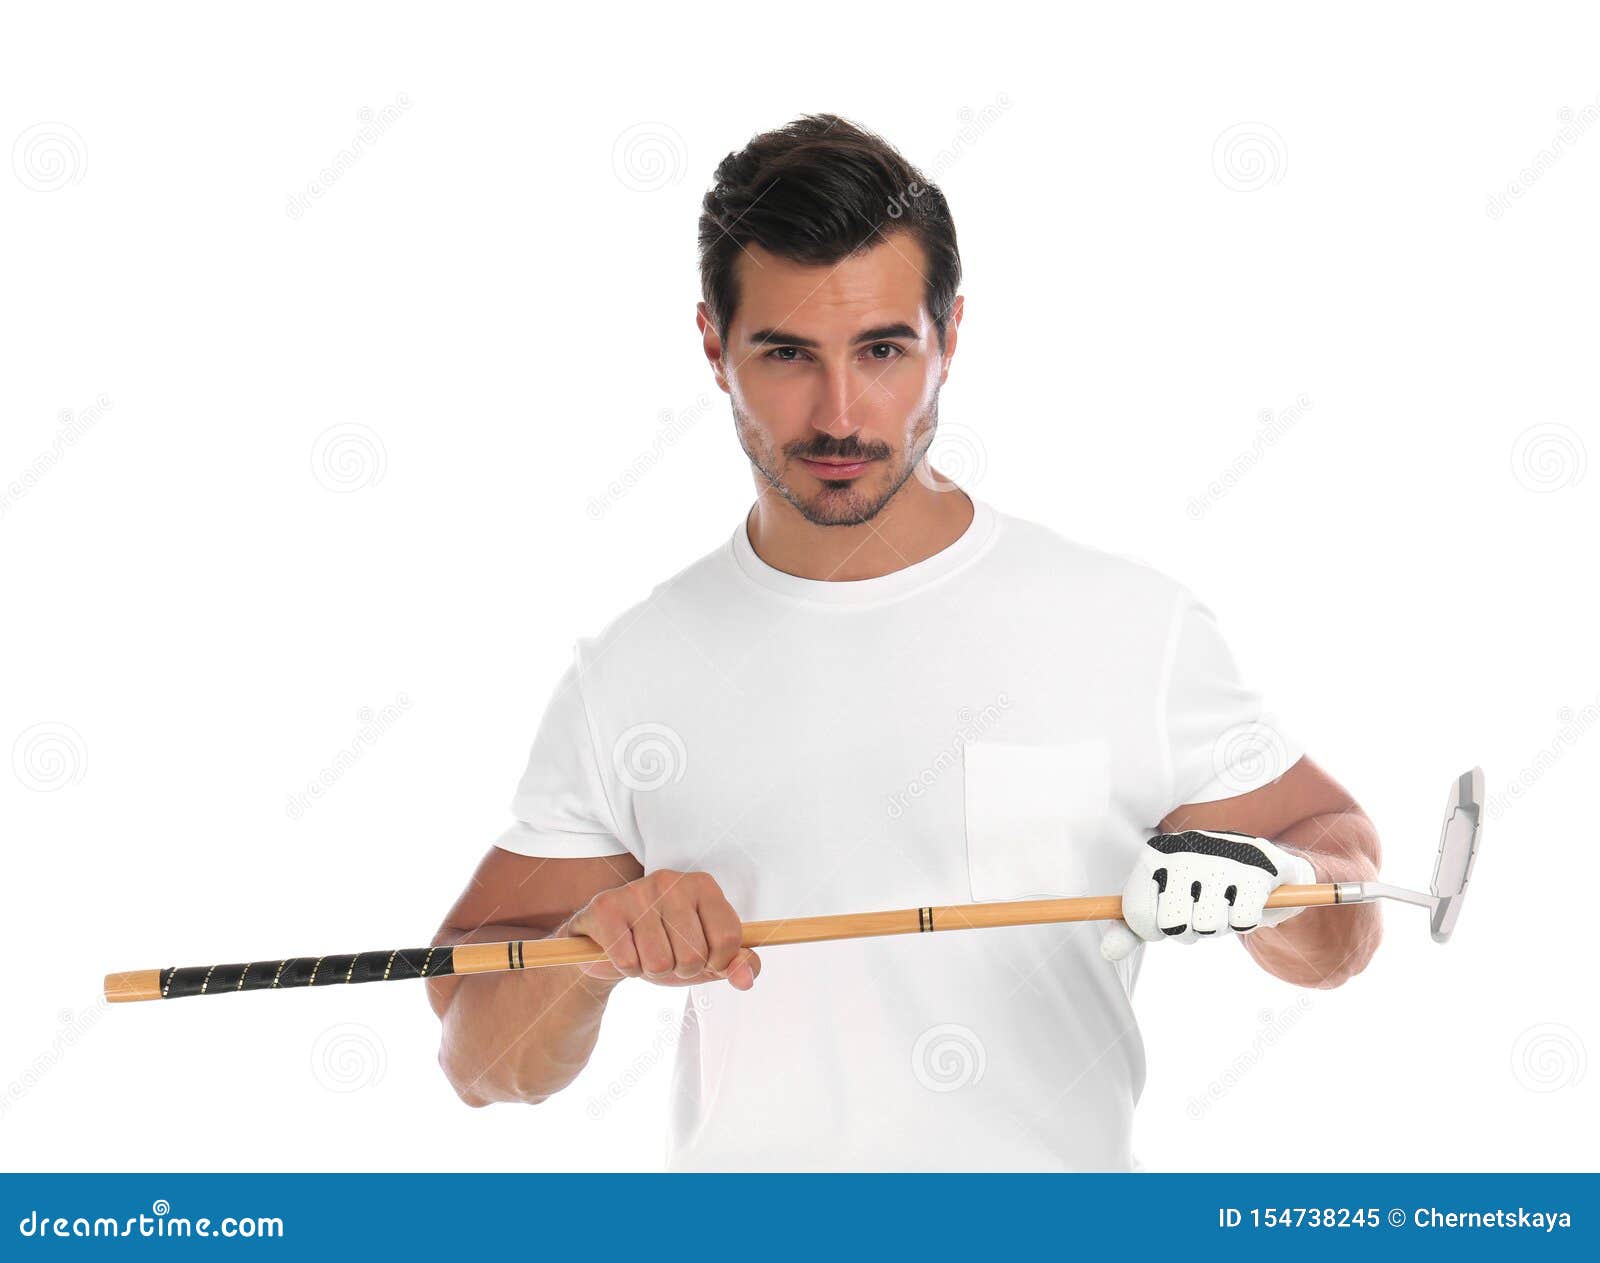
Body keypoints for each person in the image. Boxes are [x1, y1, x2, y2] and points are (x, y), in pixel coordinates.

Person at [426, 113, 1382, 1171]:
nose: (840, 414)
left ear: (949, 337)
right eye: (787, 353)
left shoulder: (1126, 624)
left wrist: (1274, 880)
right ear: (713, 346)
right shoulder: (633, 671)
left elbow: (1341, 922)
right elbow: (481, 1059)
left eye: (882, 350)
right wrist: (589, 954)